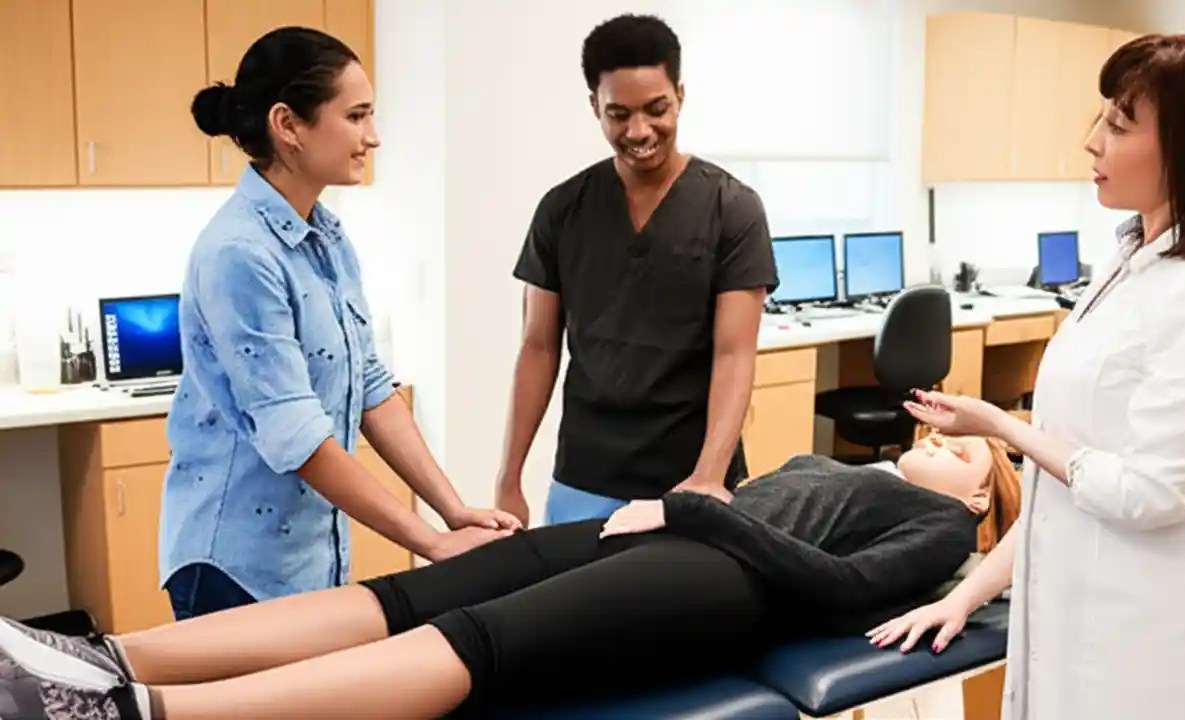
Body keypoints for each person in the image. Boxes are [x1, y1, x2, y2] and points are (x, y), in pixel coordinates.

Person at [0, 437, 1021, 719]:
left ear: (983, 499)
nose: (946, 439)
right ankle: (101, 654)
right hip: (651, 537)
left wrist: (698, 512)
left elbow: (835, 594)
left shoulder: (939, 527)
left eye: (970, 449)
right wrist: (687, 509)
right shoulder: (835, 466)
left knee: (471, 647)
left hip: (714, 587)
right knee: (401, 597)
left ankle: (142, 711)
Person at [869, 34, 1185, 720]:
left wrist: (1001, 427)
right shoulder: (1125, 261)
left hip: (1164, 645)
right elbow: (1062, 490)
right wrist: (965, 595)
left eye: (1119, 124)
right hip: (1079, 617)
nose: (1092, 141)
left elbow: (1150, 491)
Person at [162, 26, 519, 620]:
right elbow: (297, 435)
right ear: (289, 125)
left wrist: (451, 511)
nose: (372, 137)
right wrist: (428, 542)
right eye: (356, 116)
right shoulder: (239, 253)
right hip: (233, 568)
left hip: (307, 560)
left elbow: (372, 388)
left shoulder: (326, 237)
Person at [495, 13, 779, 526]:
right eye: (619, 114)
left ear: (681, 95)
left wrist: (709, 477)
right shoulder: (562, 209)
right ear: (594, 107)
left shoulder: (732, 208)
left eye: (656, 109)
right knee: (572, 604)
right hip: (585, 472)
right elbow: (538, 347)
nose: (639, 131)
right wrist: (508, 477)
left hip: (688, 475)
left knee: (683, 608)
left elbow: (735, 353)